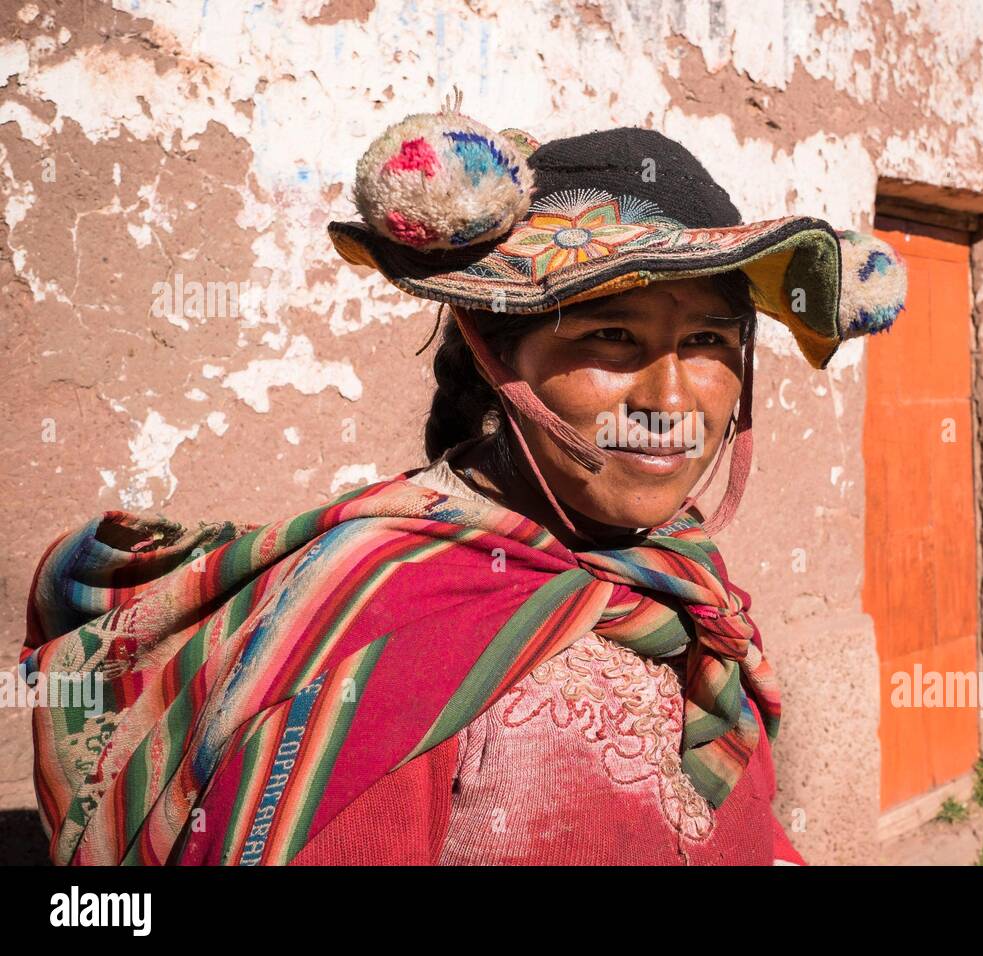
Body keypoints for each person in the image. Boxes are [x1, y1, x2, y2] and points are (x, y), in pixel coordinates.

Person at [20, 90, 906, 865]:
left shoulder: (674, 573)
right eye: (610, 336)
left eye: (710, 342)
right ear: (494, 356)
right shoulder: (380, 627)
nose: (671, 396)